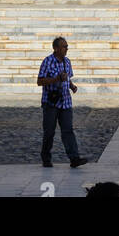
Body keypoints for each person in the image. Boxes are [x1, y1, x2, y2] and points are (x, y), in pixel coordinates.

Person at [37, 35, 88, 169]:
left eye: (66, 46)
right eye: (64, 46)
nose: (66, 49)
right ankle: (46, 158)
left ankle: (74, 158)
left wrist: (72, 86)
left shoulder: (67, 62)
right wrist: (56, 79)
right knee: (49, 131)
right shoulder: (47, 61)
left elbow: (67, 77)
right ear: (56, 48)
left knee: (68, 130)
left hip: (65, 102)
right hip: (51, 103)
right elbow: (40, 81)